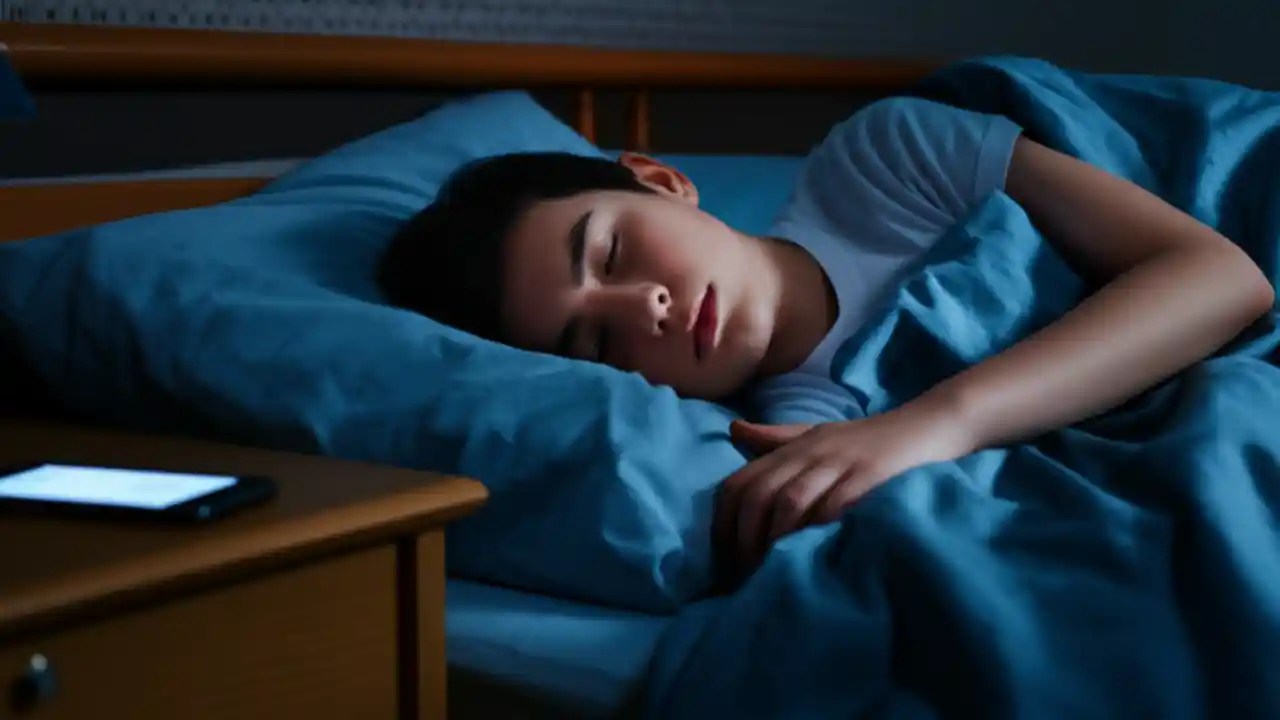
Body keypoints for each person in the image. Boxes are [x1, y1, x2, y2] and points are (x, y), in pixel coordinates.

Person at [377, 97, 1274, 573]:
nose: (642, 310)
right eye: (596, 345)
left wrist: (939, 421)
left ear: (658, 179)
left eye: (610, 253)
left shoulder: (884, 161)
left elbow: (1226, 277)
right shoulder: (804, 430)